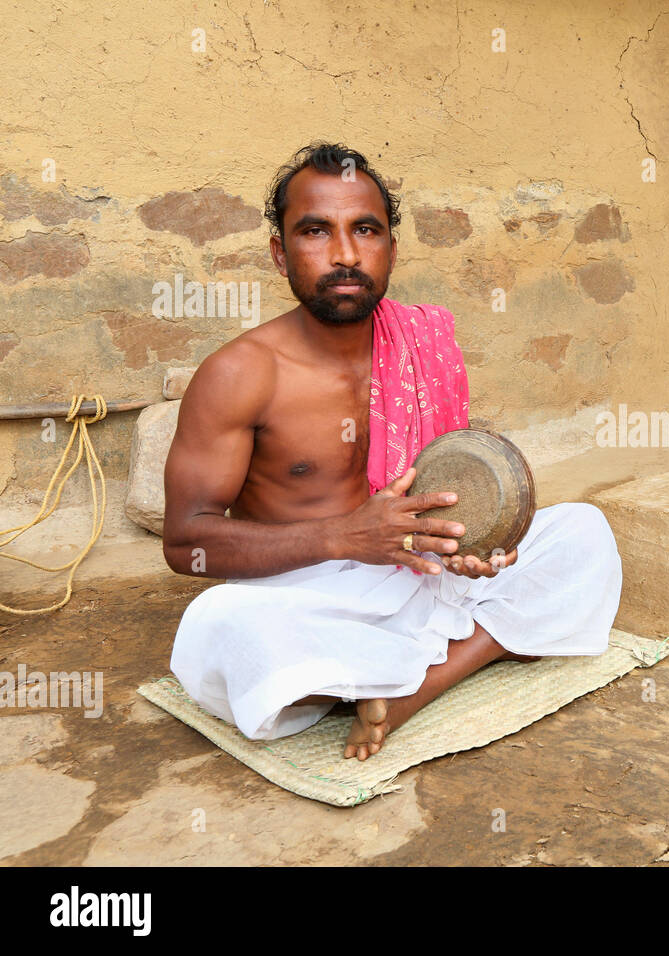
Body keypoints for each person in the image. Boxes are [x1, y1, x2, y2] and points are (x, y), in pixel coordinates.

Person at [162, 142, 622, 760]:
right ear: (280, 253)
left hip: (422, 575)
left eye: (366, 230)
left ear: (391, 249)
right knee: (221, 628)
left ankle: (423, 679)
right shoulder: (239, 374)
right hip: (314, 592)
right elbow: (184, 543)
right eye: (316, 231)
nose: (346, 254)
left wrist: (470, 544)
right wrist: (344, 538)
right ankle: (445, 650)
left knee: (582, 533)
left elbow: (440, 492)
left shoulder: (421, 343)